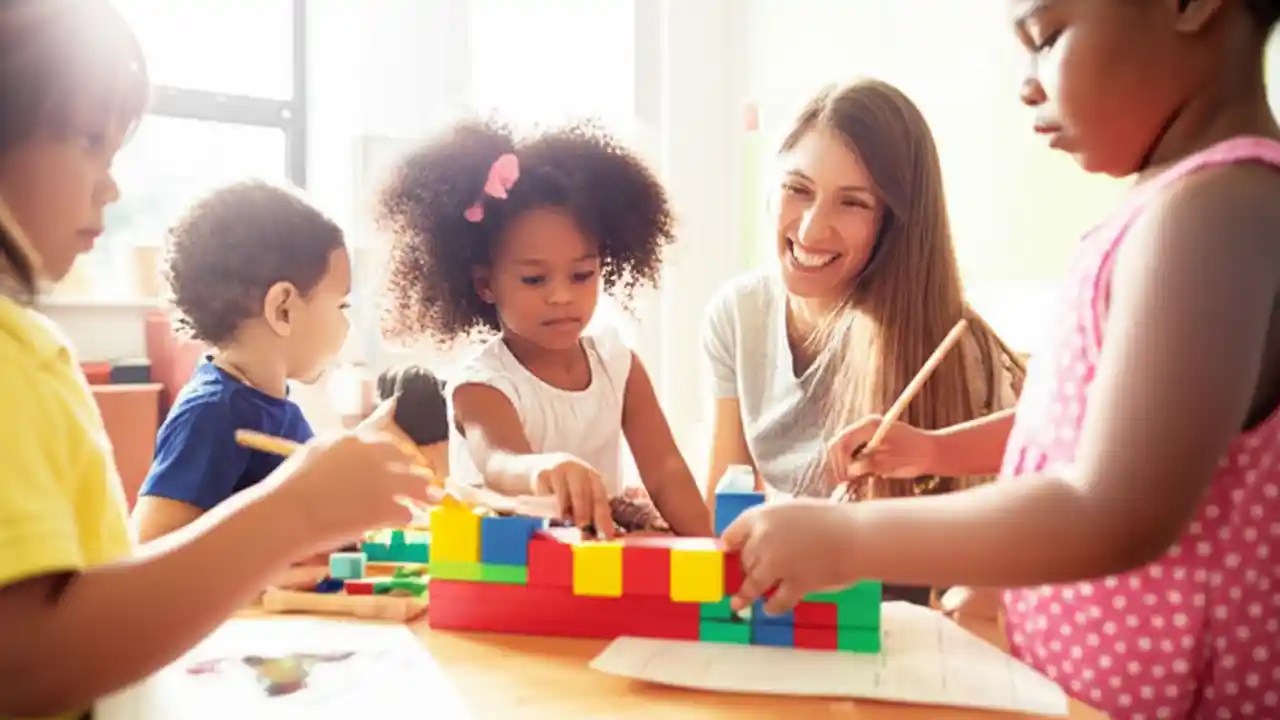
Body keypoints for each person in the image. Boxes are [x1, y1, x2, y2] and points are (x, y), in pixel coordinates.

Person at [725, 1, 1280, 716]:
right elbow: (1085, 435)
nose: (1025, 84)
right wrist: (934, 450)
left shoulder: (1214, 216)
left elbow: (1112, 506)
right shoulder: (1179, 206)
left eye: (1046, 38)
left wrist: (850, 538)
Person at [0, 4, 433, 716]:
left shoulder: (28, 351)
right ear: (284, 307)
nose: (110, 186)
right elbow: (24, 657)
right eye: (86, 142)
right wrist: (294, 512)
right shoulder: (17, 359)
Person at [702, 79, 1024, 602]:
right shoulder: (736, 313)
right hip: (777, 611)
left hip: (892, 620)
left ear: (895, 225)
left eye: (852, 203)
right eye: (798, 189)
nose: (809, 229)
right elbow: (725, 503)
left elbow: (977, 562)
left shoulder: (957, 349)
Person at [379, 118, 711, 538]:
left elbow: (666, 471)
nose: (561, 297)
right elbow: (499, 461)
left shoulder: (618, 366)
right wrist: (542, 468)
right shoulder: (483, 385)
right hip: (503, 571)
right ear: (486, 284)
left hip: (592, 563)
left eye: (581, 275)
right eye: (535, 280)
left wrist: (714, 555)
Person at [131, 181, 353, 542]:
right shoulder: (214, 413)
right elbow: (152, 542)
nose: (347, 324)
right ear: (283, 308)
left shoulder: (273, 406)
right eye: (341, 305)